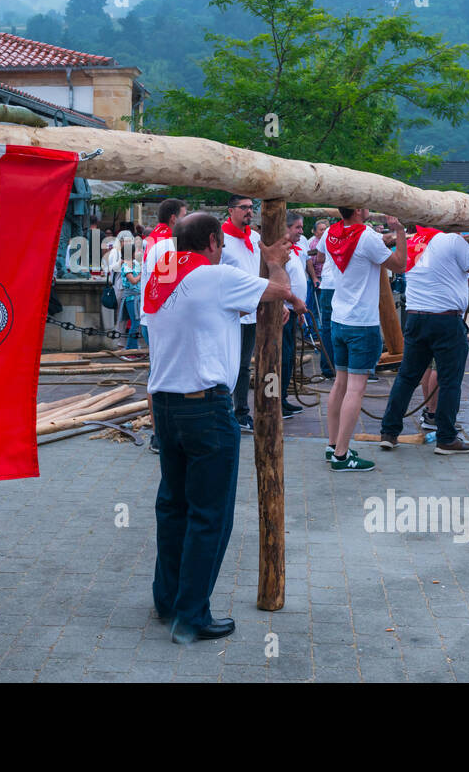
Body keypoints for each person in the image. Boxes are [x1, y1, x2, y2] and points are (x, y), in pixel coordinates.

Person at [144, 212, 301, 644]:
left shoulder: (160, 275)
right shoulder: (216, 278)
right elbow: (281, 291)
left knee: (173, 506)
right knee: (210, 515)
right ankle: (191, 615)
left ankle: (168, 598)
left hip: (166, 405)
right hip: (205, 408)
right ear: (214, 241)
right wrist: (272, 260)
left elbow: (233, 300)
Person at [377, 222, 469, 454]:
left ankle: (389, 431)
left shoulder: (413, 241)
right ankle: (446, 438)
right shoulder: (452, 241)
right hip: (445, 320)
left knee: (407, 377)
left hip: (416, 316)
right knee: (449, 381)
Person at [321, 206, 407, 471]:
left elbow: (360, 249)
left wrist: (384, 239)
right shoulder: (366, 236)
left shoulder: (330, 233)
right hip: (362, 322)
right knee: (356, 389)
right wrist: (400, 231)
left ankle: (333, 444)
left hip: (340, 317)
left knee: (340, 384)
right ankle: (342, 456)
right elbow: (400, 264)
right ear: (358, 209)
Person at [140, 198, 187, 452]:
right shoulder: (168, 243)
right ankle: (160, 433)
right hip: (161, 319)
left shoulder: (153, 240)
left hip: (152, 317)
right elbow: (168, 286)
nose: (186, 219)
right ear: (173, 219)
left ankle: (162, 432)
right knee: (160, 376)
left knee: (158, 374)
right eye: (184, 215)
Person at [220, 196, 262, 432]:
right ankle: (225, 410)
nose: (249, 212)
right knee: (228, 363)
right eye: (244, 208)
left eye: (250, 207)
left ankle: (242, 412)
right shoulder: (221, 239)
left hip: (253, 312)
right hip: (231, 312)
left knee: (245, 365)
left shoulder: (254, 238)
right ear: (231, 210)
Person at [281, 211, 310, 417]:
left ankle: (282, 398)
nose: (301, 231)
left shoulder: (294, 250)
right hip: (282, 312)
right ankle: (276, 401)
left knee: (289, 357)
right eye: (297, 227)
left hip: (293, 311)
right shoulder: (280, 251)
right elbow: (277, 282)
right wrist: (293, 301)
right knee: (281, 358)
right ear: (286, 228)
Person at [311, 218, 338, 379]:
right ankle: (342, 367)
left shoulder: (329, 232)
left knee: (327, 327)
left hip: (328, 282)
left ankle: (328, 368)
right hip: (338, 284)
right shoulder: (360, 232)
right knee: (338, 326)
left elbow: (320, 258)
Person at [117, 234, 145, 350]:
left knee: (137, 323)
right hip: (131, 298)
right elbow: (133, 281)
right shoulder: (125, 266)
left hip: (138, 297)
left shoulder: (136, 263)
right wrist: (141, 274)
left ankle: (132, 346)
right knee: (135, 322)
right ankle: (131, 348)